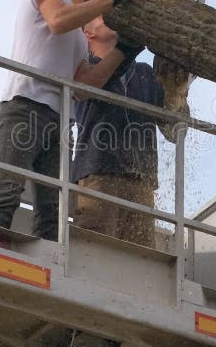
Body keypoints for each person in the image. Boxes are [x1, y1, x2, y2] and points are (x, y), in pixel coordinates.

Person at [0, 0, 145, 245]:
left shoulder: (81, 39)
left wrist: (125, 50)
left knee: (53, 206)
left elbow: (84, 86)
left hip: (60, 120)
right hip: (25, 104)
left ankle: (47, 258)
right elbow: (57, 21)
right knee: (9, 186)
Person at [71, 15, 171, 248]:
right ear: (88, 32)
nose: (114, 18)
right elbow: (106, 76)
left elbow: (175, 129)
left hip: (141, 183)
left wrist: (179, 85)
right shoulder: (84, 69)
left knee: (141, 260)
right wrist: (130, 47)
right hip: (97, 173)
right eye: (103, 16)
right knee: (93, 251)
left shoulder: (146, 73)